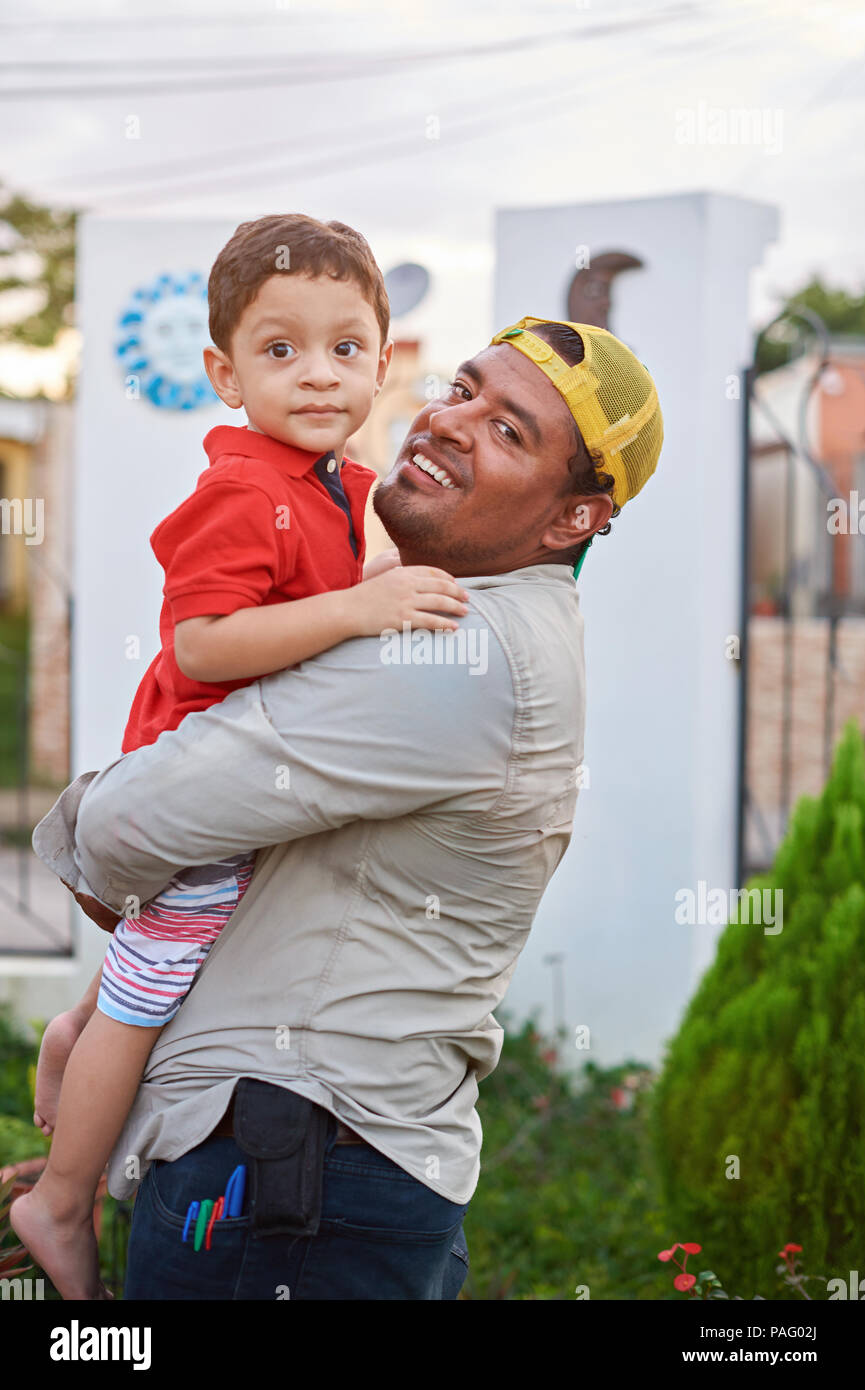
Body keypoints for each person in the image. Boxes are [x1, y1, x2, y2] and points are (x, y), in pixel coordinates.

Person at [30, 313, 663, 1300]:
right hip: (309, 1176)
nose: (450, 424)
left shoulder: (458, 647)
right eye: (462, 391)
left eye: (510, 432)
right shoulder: (459, 610)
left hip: (289, 1188)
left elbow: (129, 826)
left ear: (571, 519)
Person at [10, 211, 469, 1301]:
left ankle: (79, 1029)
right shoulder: (241, 492)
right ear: (223, 372)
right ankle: (62, 1201)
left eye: (346, 348)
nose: (319, 375)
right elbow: (202, 642)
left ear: (382, 360)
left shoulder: (342, 483)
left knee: (192, 964)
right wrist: (363, 611)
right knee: (164, 970)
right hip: (201, 780)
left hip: (262, 781)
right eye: (280, 350)